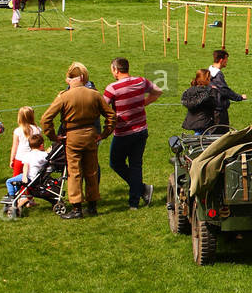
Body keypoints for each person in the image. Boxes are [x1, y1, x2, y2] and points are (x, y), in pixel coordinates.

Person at [40, 62, 116, 219]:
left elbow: (46, 118)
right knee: (92, 171)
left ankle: (76, 209)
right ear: (83, 77)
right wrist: (105, 133)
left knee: (74, 172)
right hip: (91, 135)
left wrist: (53, 136)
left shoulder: (64, 96)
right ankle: (93, 206)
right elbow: (111, 115)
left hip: (72, 137)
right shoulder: (94, 94)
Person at [103, 56, 162, 210]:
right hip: (141, 130)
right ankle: (135, 200)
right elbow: (158, 91)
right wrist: (144, 103)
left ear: (116, 70)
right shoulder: (141, 81)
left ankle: (140, 191)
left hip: (123, 132)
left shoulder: (112, 88)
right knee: (136, 165)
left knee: (115, 163)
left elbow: (102, 107)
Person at [4, 132, 48, 205]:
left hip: (29, 176)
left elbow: (25, 166)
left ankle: (11, 196)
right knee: (17, 184)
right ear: (41, 145)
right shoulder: (44, 155)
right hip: (38, 177)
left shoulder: (28, 155)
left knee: (9, 181)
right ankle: (14, 194)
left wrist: (24, 176)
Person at [209, 49, 245, 127]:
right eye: (226, 59)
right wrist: (239, 97)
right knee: (220, 135)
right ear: (221, 60)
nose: (227, 62)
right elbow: (224, 90)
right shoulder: (218, 75)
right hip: (219, 110)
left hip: (211, 109)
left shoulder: (208, 72)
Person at [9, 106, 41, 180]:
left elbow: (15, 146)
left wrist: (12, 159)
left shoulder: (18, 130)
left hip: (20, 158)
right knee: (31, 179)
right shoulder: (37, 129)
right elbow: (40, 144)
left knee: (16, 180)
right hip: (33, 158)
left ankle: (16, 192)